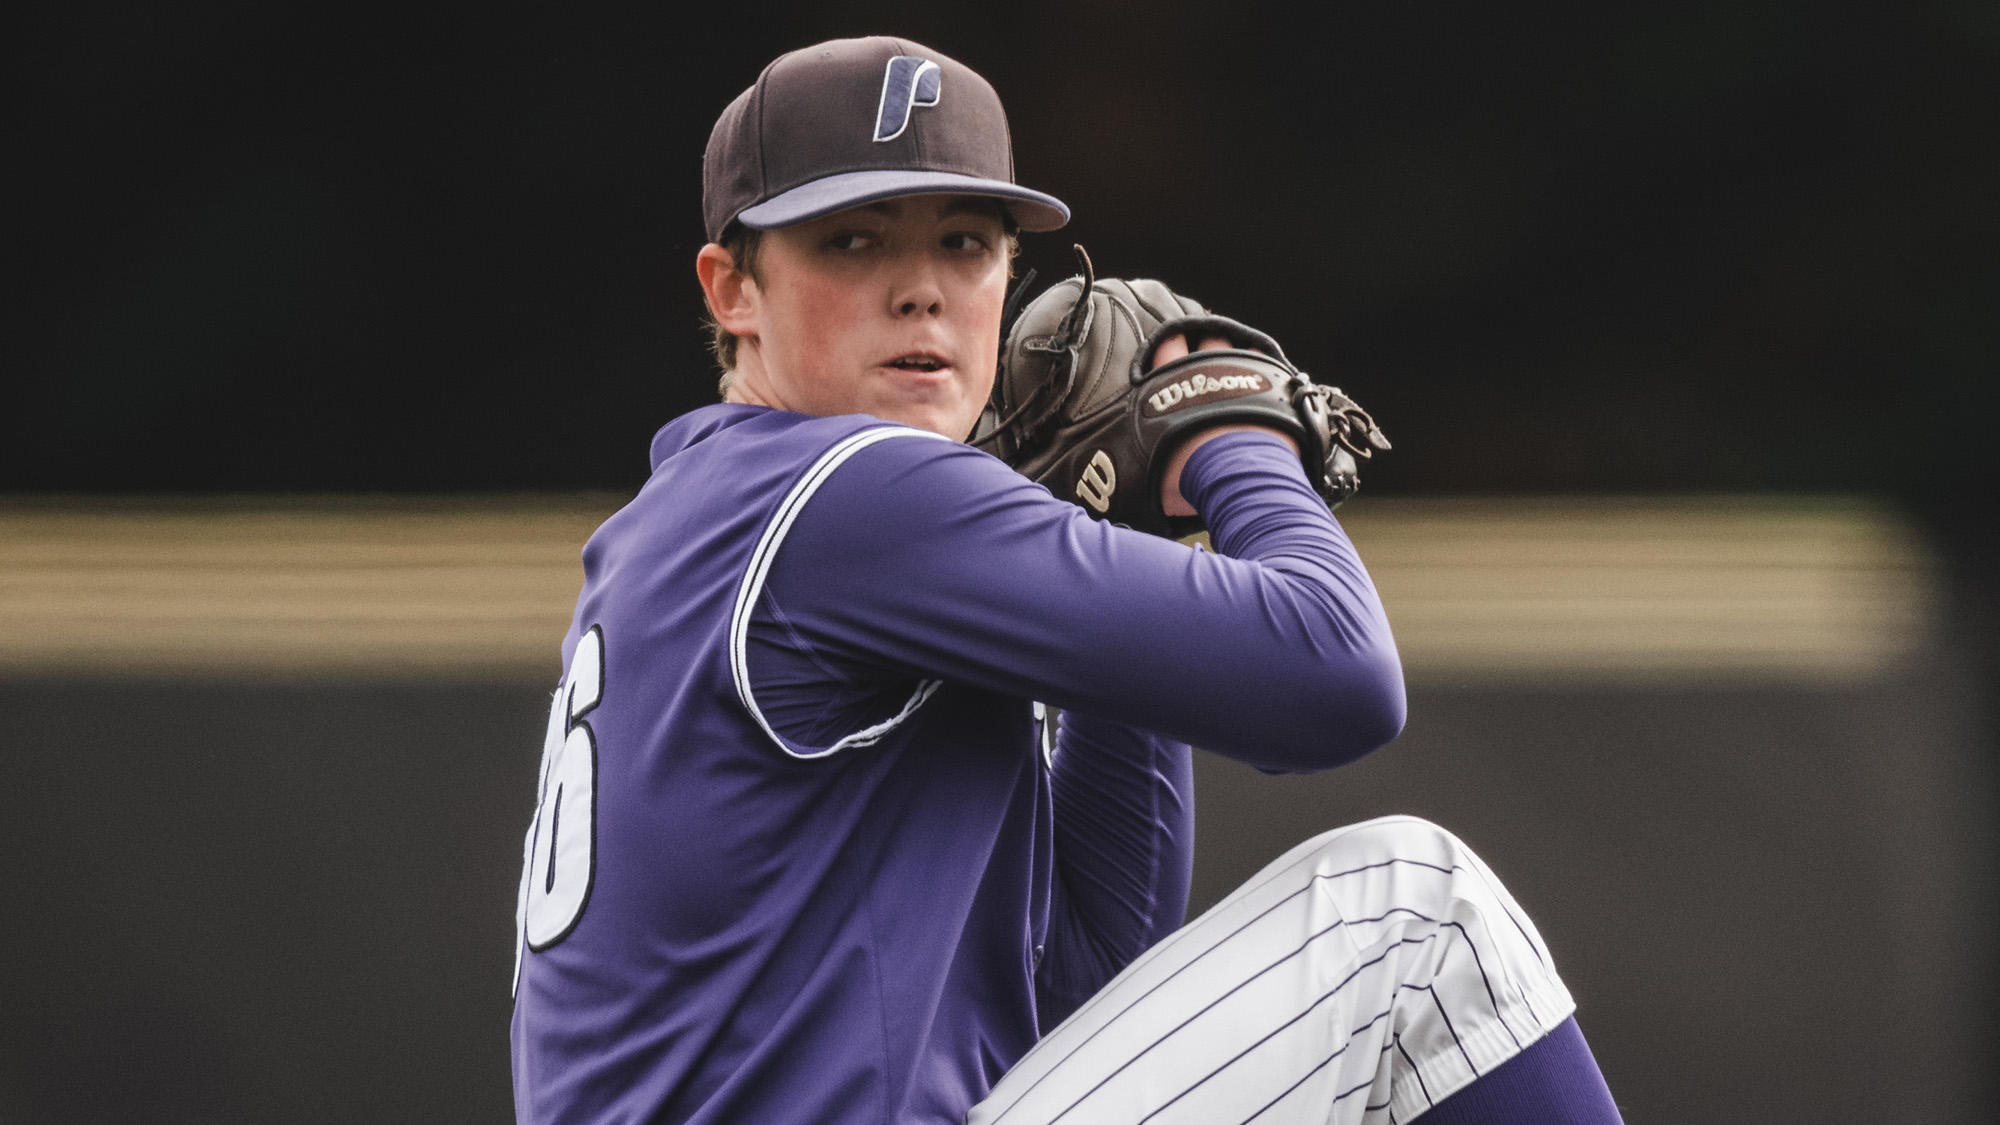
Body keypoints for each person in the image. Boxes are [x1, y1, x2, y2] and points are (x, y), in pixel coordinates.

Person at [510, 35, 1623, 1124]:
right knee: (1417, 923)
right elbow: (1336, 675)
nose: (922, 290)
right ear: (732, 289)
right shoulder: (849, 494)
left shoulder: (700, 519)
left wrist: (1112, 540)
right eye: (852, 241)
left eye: (963, 241)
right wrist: (1223, 428)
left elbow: (1090, 976)